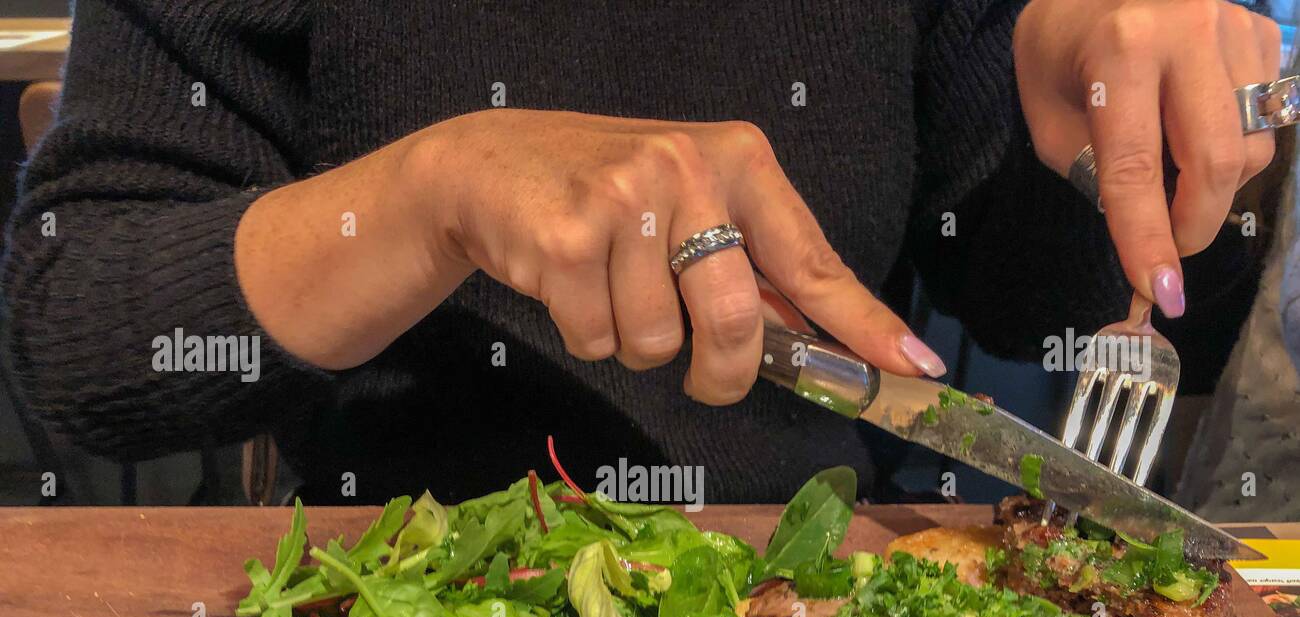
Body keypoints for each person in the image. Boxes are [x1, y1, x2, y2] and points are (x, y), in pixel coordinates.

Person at [0, 0, 1283, 505]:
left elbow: (1020, 297)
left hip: (821, 598)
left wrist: (1157, 155)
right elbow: (78, 328)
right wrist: (425, 195)